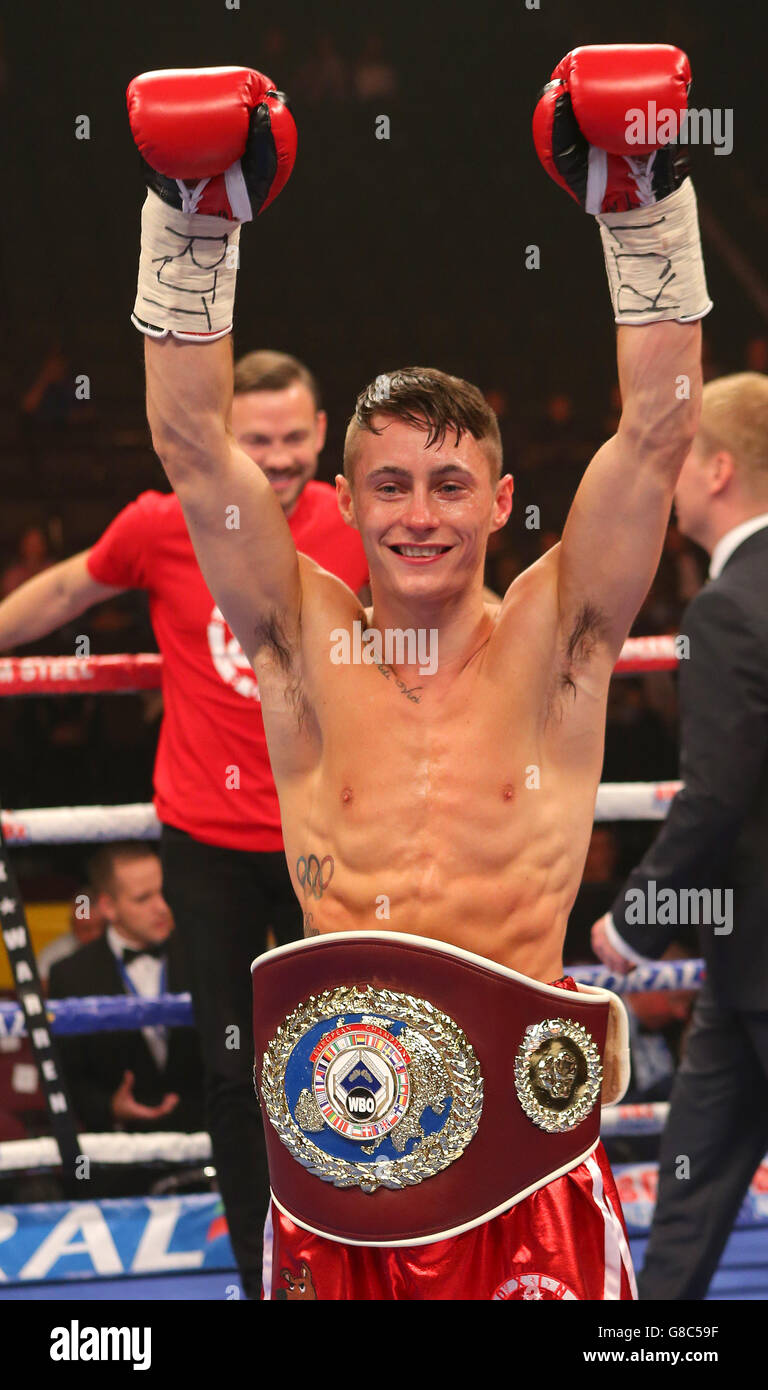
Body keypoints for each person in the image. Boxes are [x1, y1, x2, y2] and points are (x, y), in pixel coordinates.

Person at [128, 47, 710, 1300]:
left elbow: (660, 432)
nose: (420, 514)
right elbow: (188, 442)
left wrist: (643, 197)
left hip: (530, 1155)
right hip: (341, 1143)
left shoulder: (560, 645)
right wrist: (192, 220)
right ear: (345, 501)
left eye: (452, 484)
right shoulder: (299, 640)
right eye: (389, 484)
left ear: (502, 500)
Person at [0, 349, 368, 1299]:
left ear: (322, 434)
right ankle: (266, 1276)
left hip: (329, 835)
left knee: (357, 1044)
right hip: (206, 842)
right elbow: (69, 589)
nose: (279, 461)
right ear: (220, 442)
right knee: (233, 1071)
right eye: (257, 442)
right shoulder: (166, 524)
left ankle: (370, 1256)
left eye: (294, 440)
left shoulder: (361, 518)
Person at [592, 371, 768, 1299]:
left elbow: (718, 797)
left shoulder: (729, 608)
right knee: (691, 1206)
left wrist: (632, 924)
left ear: (720, 471)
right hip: (745, 976)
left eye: (682, 457)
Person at [47, 842, 204, 1138]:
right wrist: (110, 1108)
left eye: (163, 891)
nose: (161, 907)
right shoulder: (70, 975)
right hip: (119, 1151)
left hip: (206, 1140)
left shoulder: (203, 954)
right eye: (143, 898)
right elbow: (66, 1077)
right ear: (108, 907)